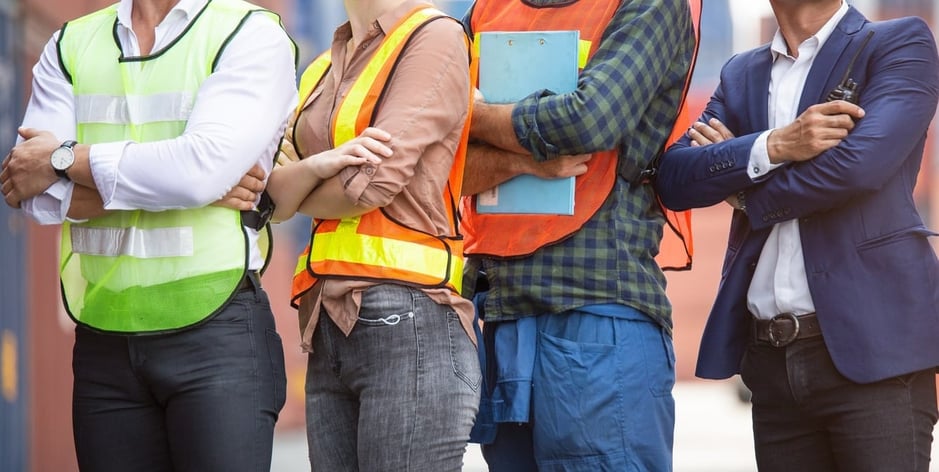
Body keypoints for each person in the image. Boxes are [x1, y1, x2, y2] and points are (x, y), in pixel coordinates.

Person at [0, 0, 297, 470]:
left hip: (215, 336)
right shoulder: (70, 44)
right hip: (104, 340)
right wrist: (183, 184)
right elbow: (29, 191)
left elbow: (199, 171)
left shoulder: (247, 33)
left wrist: (63, 161)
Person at [654, 1, 939, 471]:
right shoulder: (741, 73)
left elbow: (857, 168)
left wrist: (745, 192)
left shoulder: (896, 44)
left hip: (875, 352)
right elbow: (675, 177)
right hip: (770, 359)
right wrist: (777, 144)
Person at [459, 0, 697, 470]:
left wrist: (477, 116)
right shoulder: (486, 10)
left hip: (596, 311)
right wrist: (521, 160)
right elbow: (434, 156)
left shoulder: (649, 6)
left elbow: (591, 120)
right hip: (503, 314)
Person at [266, 0, 480, 470]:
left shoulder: (434, 35)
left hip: (410, 316)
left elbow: (372, 185)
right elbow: (269, 200)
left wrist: (297, 181)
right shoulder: (321, 68)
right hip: (327, 322)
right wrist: (322, 167)